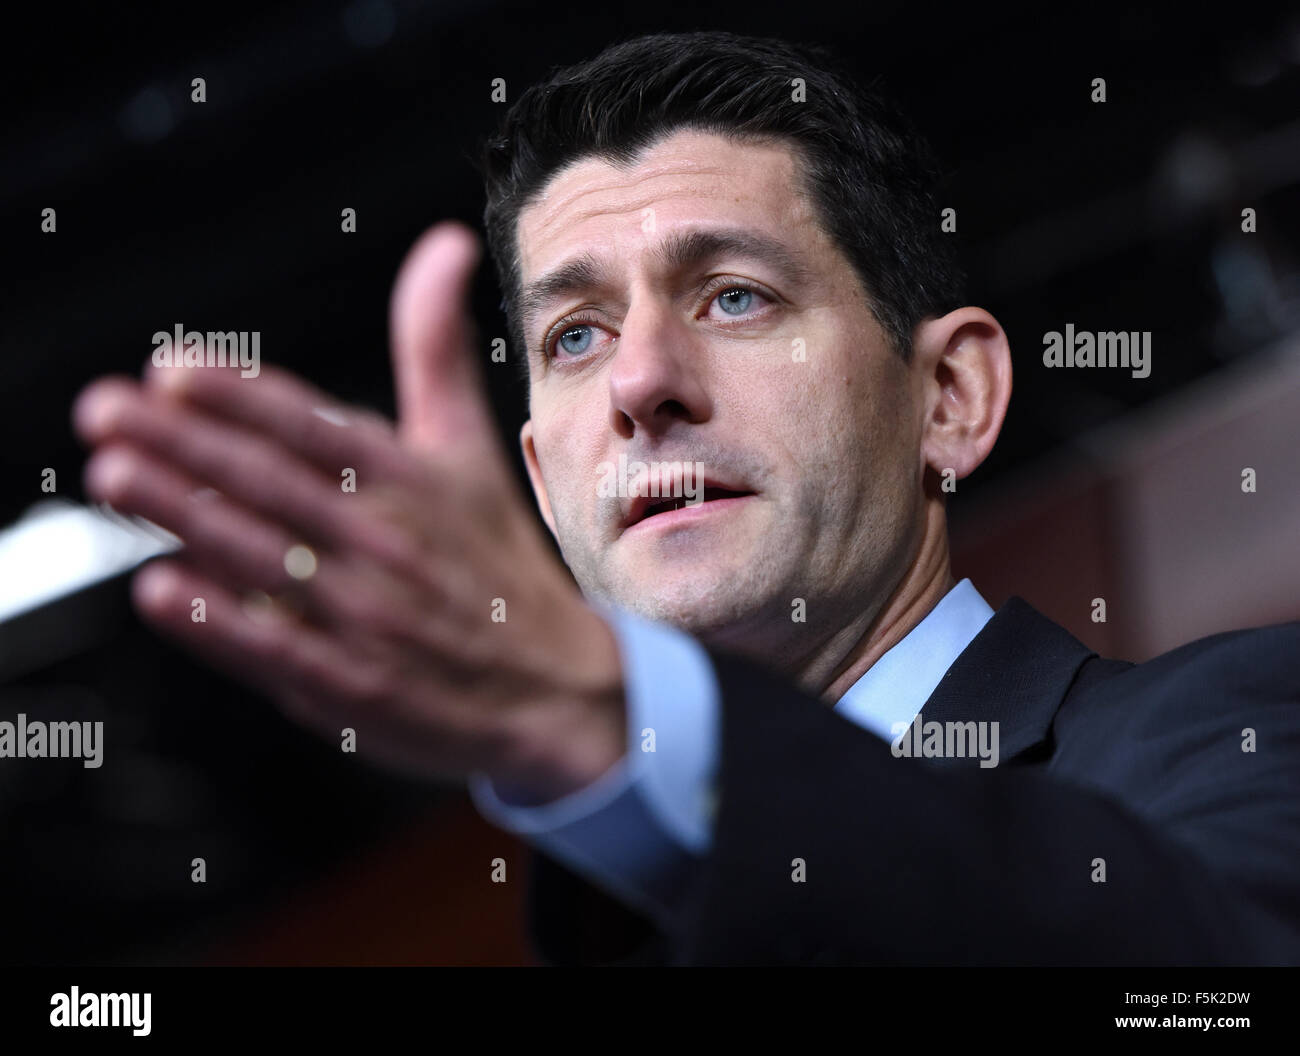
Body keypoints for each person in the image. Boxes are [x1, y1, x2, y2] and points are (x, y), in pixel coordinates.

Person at [72, 31, 1300, 966]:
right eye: (575, 336)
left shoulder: (1236, 730)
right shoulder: (610, 922)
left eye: (732, 296)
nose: (641, 383)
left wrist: (614, 718)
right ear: (545, 489)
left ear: (950, 400)